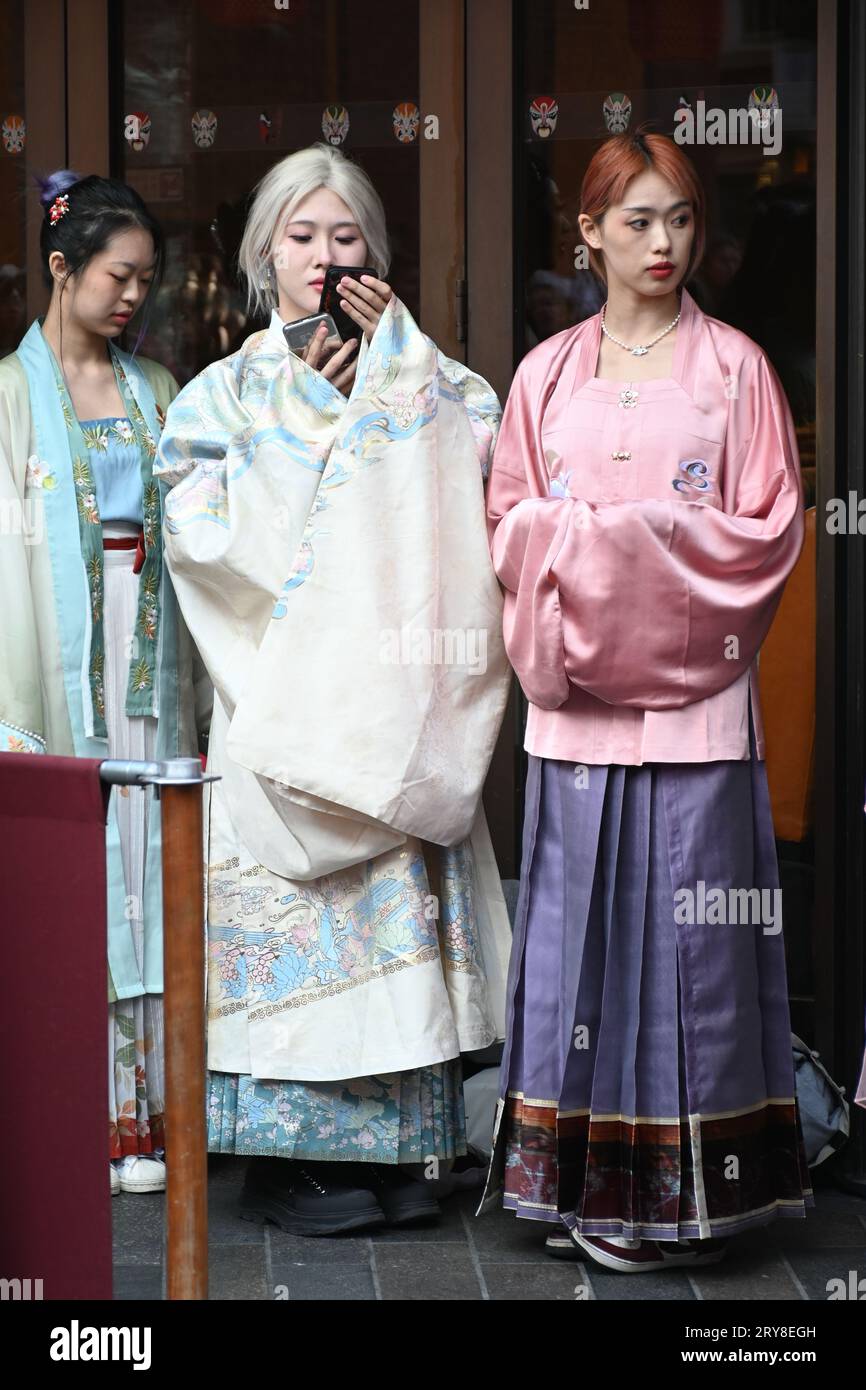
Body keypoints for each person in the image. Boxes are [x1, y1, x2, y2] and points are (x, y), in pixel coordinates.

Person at [155, 142, 513, 1235]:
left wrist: (394, 391)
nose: (323, 255)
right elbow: (202, 535)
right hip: (284, 707)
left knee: (391, 935)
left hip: (384, 709)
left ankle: (411, 1148)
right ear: (266, 255)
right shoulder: (224, 391)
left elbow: (481, 457)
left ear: (377, 253)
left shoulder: (427, 376)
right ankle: (285, 1161)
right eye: (302, 235)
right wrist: (313, 419)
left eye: (344, 235)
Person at [479, 129, 813, 1272]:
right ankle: (574, 1186)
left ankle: (687, 1198)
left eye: (679, 219)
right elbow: (506, 528)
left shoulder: (736, 370)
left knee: (691, 954)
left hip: (693, 721)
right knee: (580, 946)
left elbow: (764, 536)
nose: (662, 242)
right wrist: (614, 545)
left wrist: (608, 548)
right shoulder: (543, 376)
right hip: (574, 715)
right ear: (587, 234)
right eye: (636, 221)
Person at [0, 171, 207, 1197]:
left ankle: (156, 1116)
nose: (133, 296)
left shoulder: (157, 389)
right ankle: (89, 1112)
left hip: (150, 655)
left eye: (146, 280)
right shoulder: (5, 397)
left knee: (145, 863)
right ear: (60, 267)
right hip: (58, 655)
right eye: (118, 275)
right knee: (78, 871)